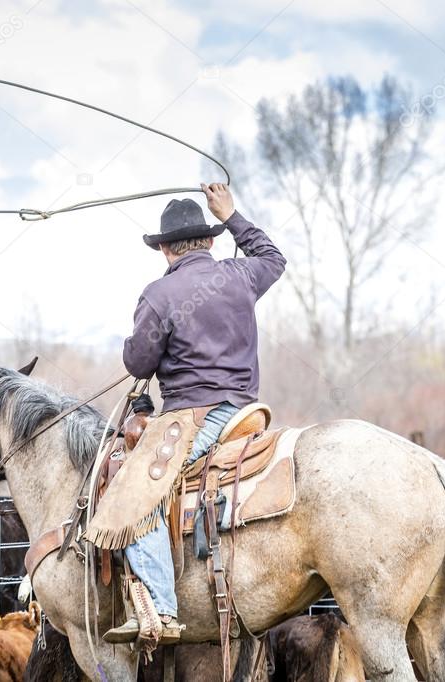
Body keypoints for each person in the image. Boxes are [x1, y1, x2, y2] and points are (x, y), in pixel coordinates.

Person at [102, 183, 286, 644]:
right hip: (247, 411)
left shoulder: (160, 294)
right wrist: (231, 214)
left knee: (133, 485)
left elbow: (138, 363)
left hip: (195, 418)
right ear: (209, 240)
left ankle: (161, 609)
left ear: (165, 249)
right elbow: (274, 258)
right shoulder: (239, 275)